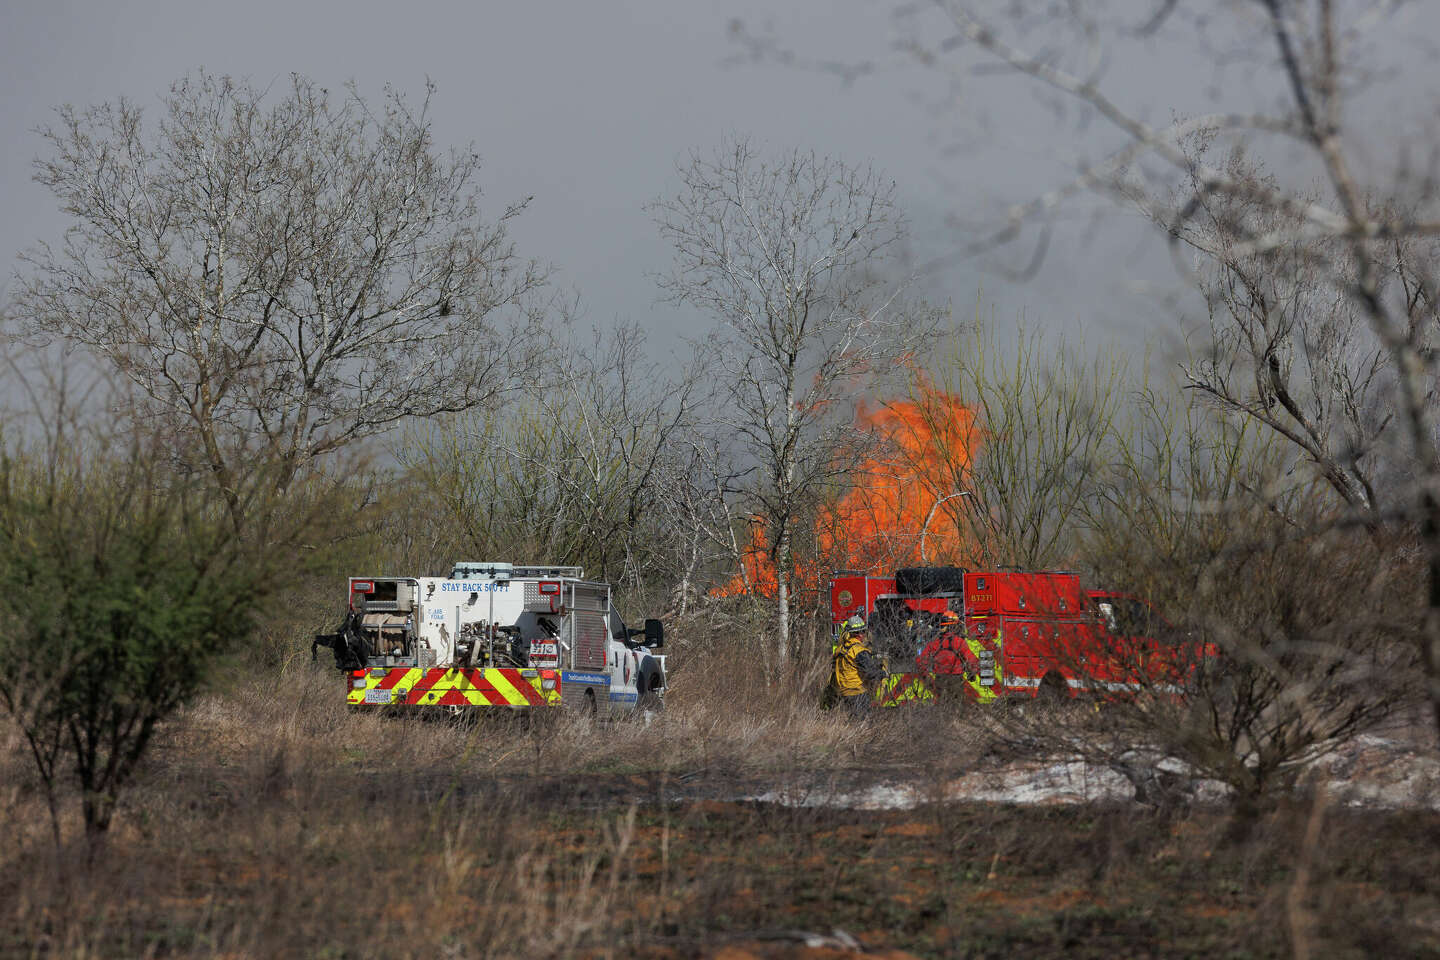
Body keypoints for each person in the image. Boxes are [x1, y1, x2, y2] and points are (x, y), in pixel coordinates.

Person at [828, 614, 887, 717]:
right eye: (863, 632)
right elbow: (870, 673)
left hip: (843, 692)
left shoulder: (841, 649)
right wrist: (883, 673)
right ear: (859, 634)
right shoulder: (858, 651)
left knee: (853, 722)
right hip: (856, 692)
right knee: (863, 722)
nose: (864, 635)